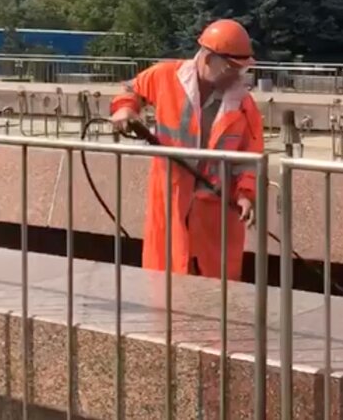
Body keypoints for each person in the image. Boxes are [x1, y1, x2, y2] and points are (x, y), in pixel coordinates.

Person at [109, 19, 264, 281]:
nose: (237, 75)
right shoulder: (166, 77)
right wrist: (125, 108)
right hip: (172, 199)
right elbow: (131, 89)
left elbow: (250, 156)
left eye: (241, 68)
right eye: (231, 67)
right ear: (208, 58)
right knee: (165, 279)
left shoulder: (243, 104)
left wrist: (245, 195)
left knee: (215, 285)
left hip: (216, 210)